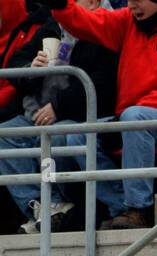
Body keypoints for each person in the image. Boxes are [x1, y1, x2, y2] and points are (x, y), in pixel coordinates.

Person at [45, 0, 157, 229]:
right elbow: (87, 22)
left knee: (134, 118)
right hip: (136, 119)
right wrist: (62, 6)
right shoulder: (127, 21)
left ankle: (140, 208)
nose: (132, 4)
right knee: (80, 136)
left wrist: (124, 120)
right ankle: (121, 207)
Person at [0, 0, 117, 233]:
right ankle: (44, 207)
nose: (65, 7)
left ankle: (61, 205)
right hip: (36, 112)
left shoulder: (109, 27)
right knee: (5, 135)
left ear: (93, 3)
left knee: (58, 135)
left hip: (80, 115)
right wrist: (30, 69)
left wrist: (59, 107)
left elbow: (104, 83)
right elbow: (15, 63)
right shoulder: (55, 24)